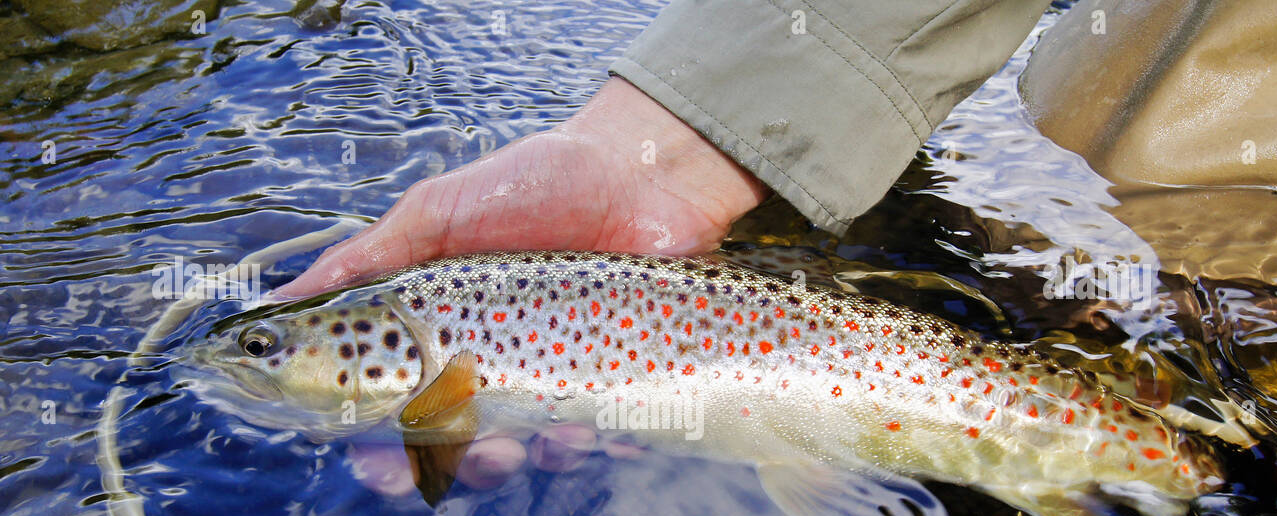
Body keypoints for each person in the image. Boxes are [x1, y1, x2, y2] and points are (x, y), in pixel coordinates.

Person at [275, 0, 1053, 487]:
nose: (262, 357)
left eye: (268, 343)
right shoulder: (433, 367)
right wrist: (662, 144)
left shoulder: (432, 376)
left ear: (376, 343)